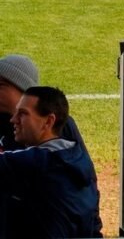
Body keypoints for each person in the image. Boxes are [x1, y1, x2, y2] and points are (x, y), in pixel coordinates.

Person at [0, 86, 102, 238]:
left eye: (23, 114)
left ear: (48, 121)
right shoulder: (79, 159)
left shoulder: (35, 163)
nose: (13, 119)